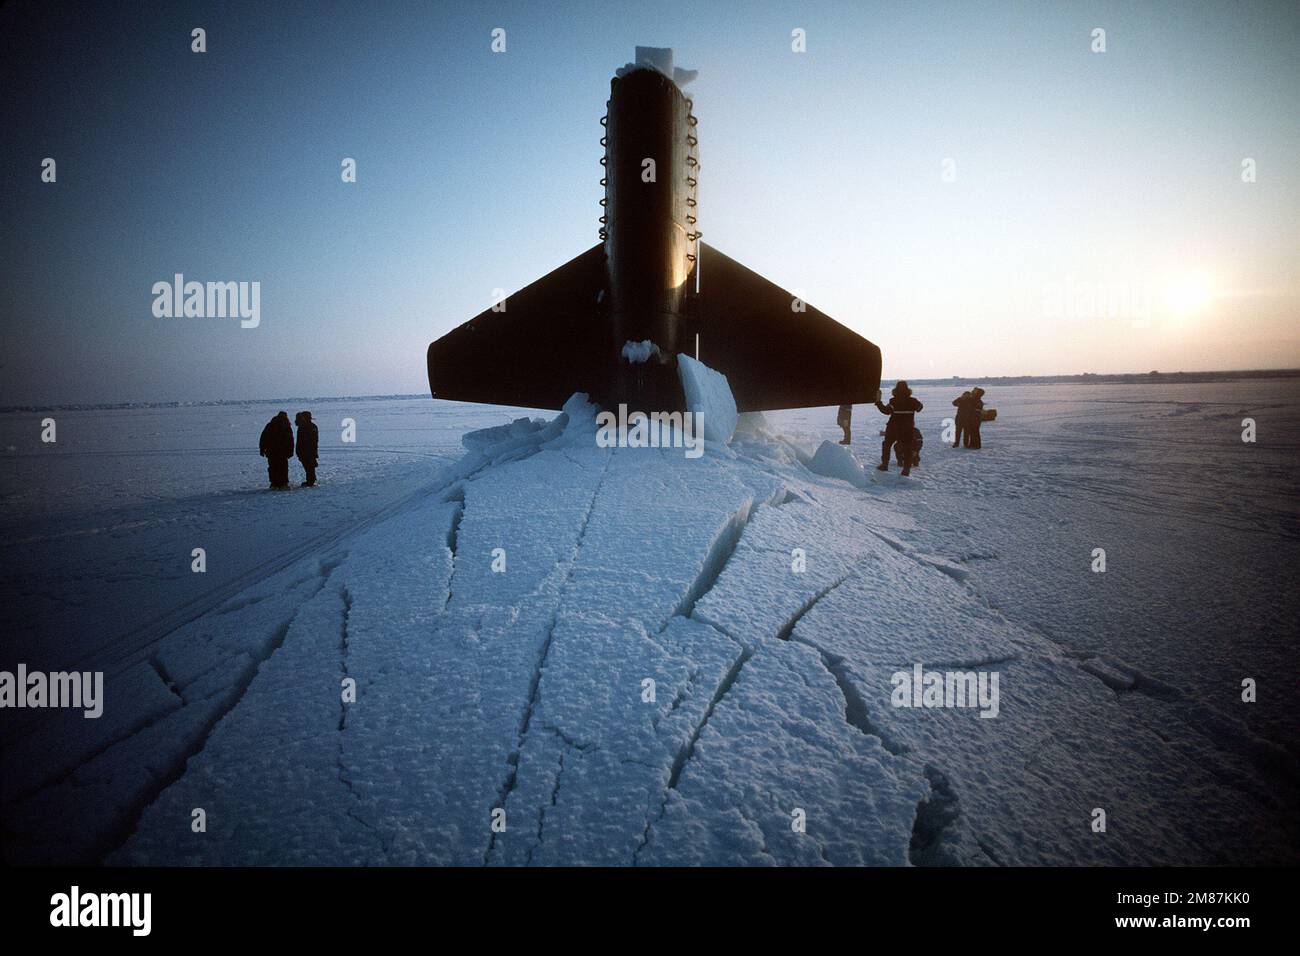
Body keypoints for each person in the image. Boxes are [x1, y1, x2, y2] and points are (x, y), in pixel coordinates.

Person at [874, 381, 923, 476]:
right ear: (908, 390)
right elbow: (920, 408)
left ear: (895, 390)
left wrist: (878, 402)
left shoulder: (893, 401)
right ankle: (906, 469)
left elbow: (886, 411)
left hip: (893, 428)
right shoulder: (913, 401)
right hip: (907, 429)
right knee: (907, 448)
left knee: (887, 445)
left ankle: (884, 465)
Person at [259, 410, 294, 489]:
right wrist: (290, 451)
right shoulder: (286, 426)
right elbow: (290, 440)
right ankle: (283, 483)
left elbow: (263, 438)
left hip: (271, 451)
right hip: (282, 452)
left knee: (273, 467)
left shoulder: (270, 425)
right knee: (283, 467)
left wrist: (262, 449)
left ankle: (274, 483)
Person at [294, 410, 319, 487]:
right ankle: (311, 480)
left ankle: (311, 481)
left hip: (306, 450)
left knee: (309, 466)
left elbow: (302, 440)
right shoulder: (310, 426)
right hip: (308, 450)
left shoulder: (304, 427)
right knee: (309, 466)